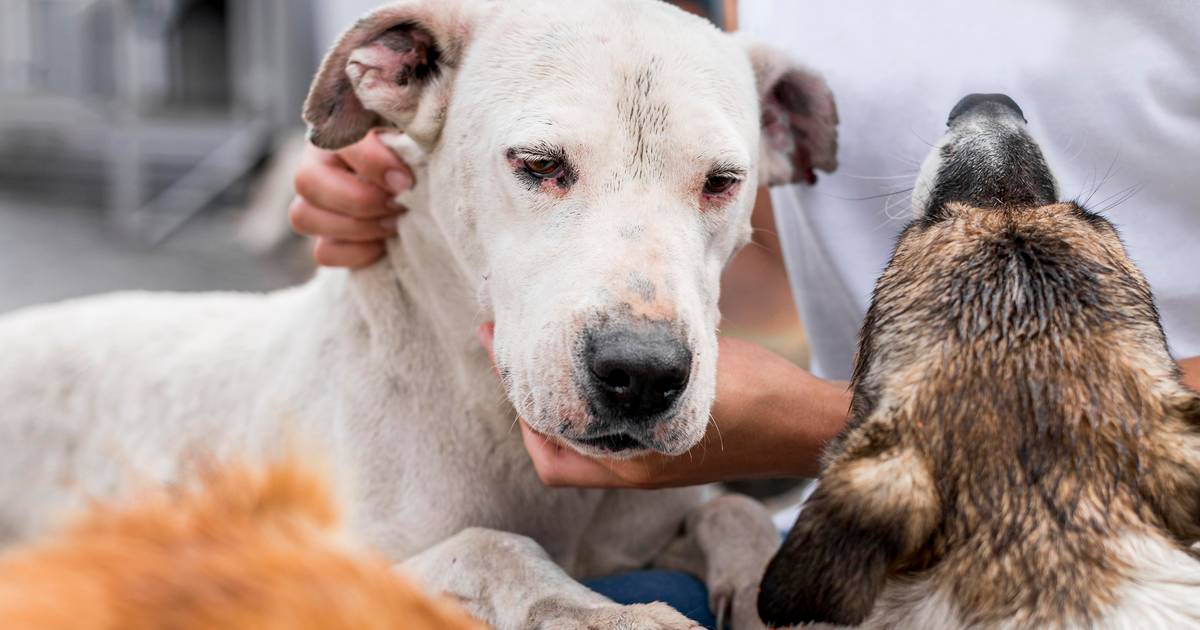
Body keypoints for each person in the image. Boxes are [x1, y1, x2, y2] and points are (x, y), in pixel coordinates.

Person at [291, 0, 1200, 624]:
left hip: (1161, 527)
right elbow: (642, 132)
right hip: (865, 532)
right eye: (541, 168)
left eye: (722, 178)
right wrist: (392, 182)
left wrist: (822, 423)